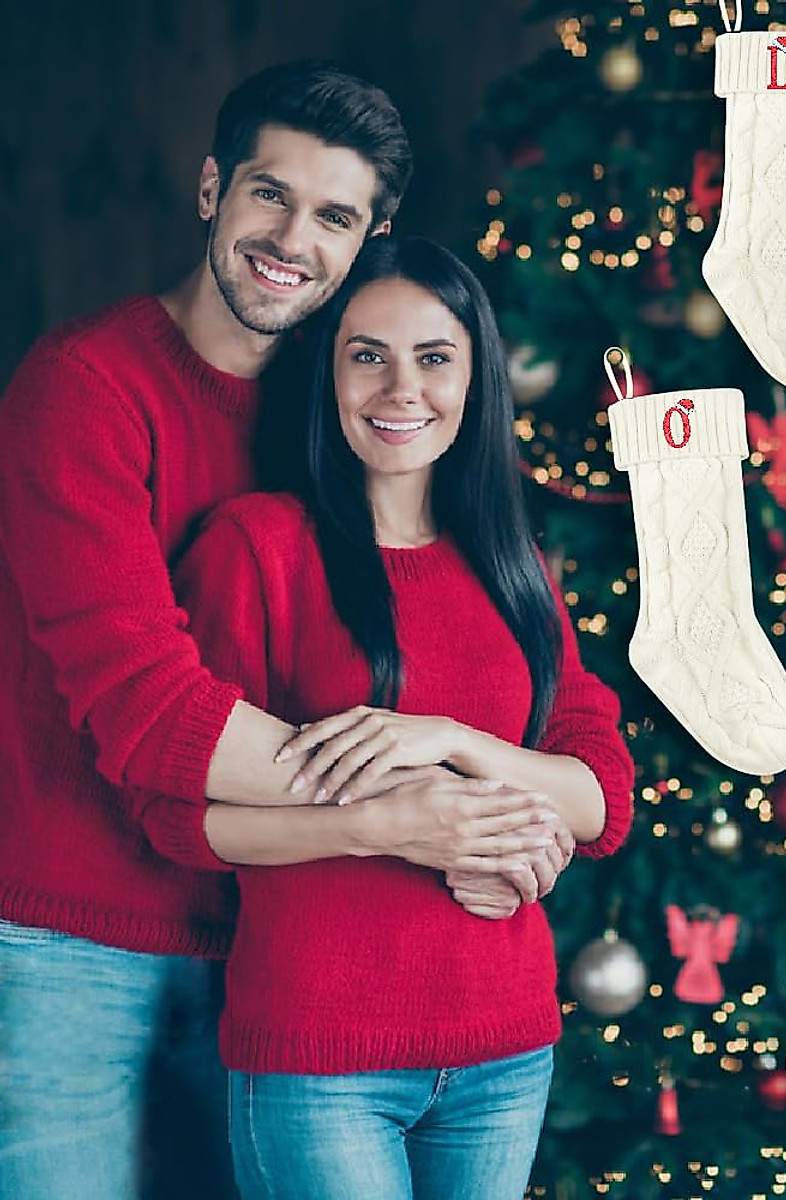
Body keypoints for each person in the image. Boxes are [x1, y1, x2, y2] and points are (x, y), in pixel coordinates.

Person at [0, 62, 563, 1200]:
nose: (291, 238)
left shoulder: (354, 408)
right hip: (79, 939)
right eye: (270, 194)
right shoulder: (85, 387)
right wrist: (432, 812)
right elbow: (154, 711)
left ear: (373, 238)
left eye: (335, 215)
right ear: (212, 188)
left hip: (276, 947)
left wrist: (479, 785)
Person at [136, 233, 635, 1200]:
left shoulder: (515, 569)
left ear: (475, 379)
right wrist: (378, 825)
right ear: (327, 373)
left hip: (507, 1050)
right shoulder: (258, 549)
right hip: (322, 1060)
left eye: (434, 358)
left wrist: (448, 741)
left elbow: (600, 796)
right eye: (367, 354)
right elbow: (176, 817)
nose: (400, 389)